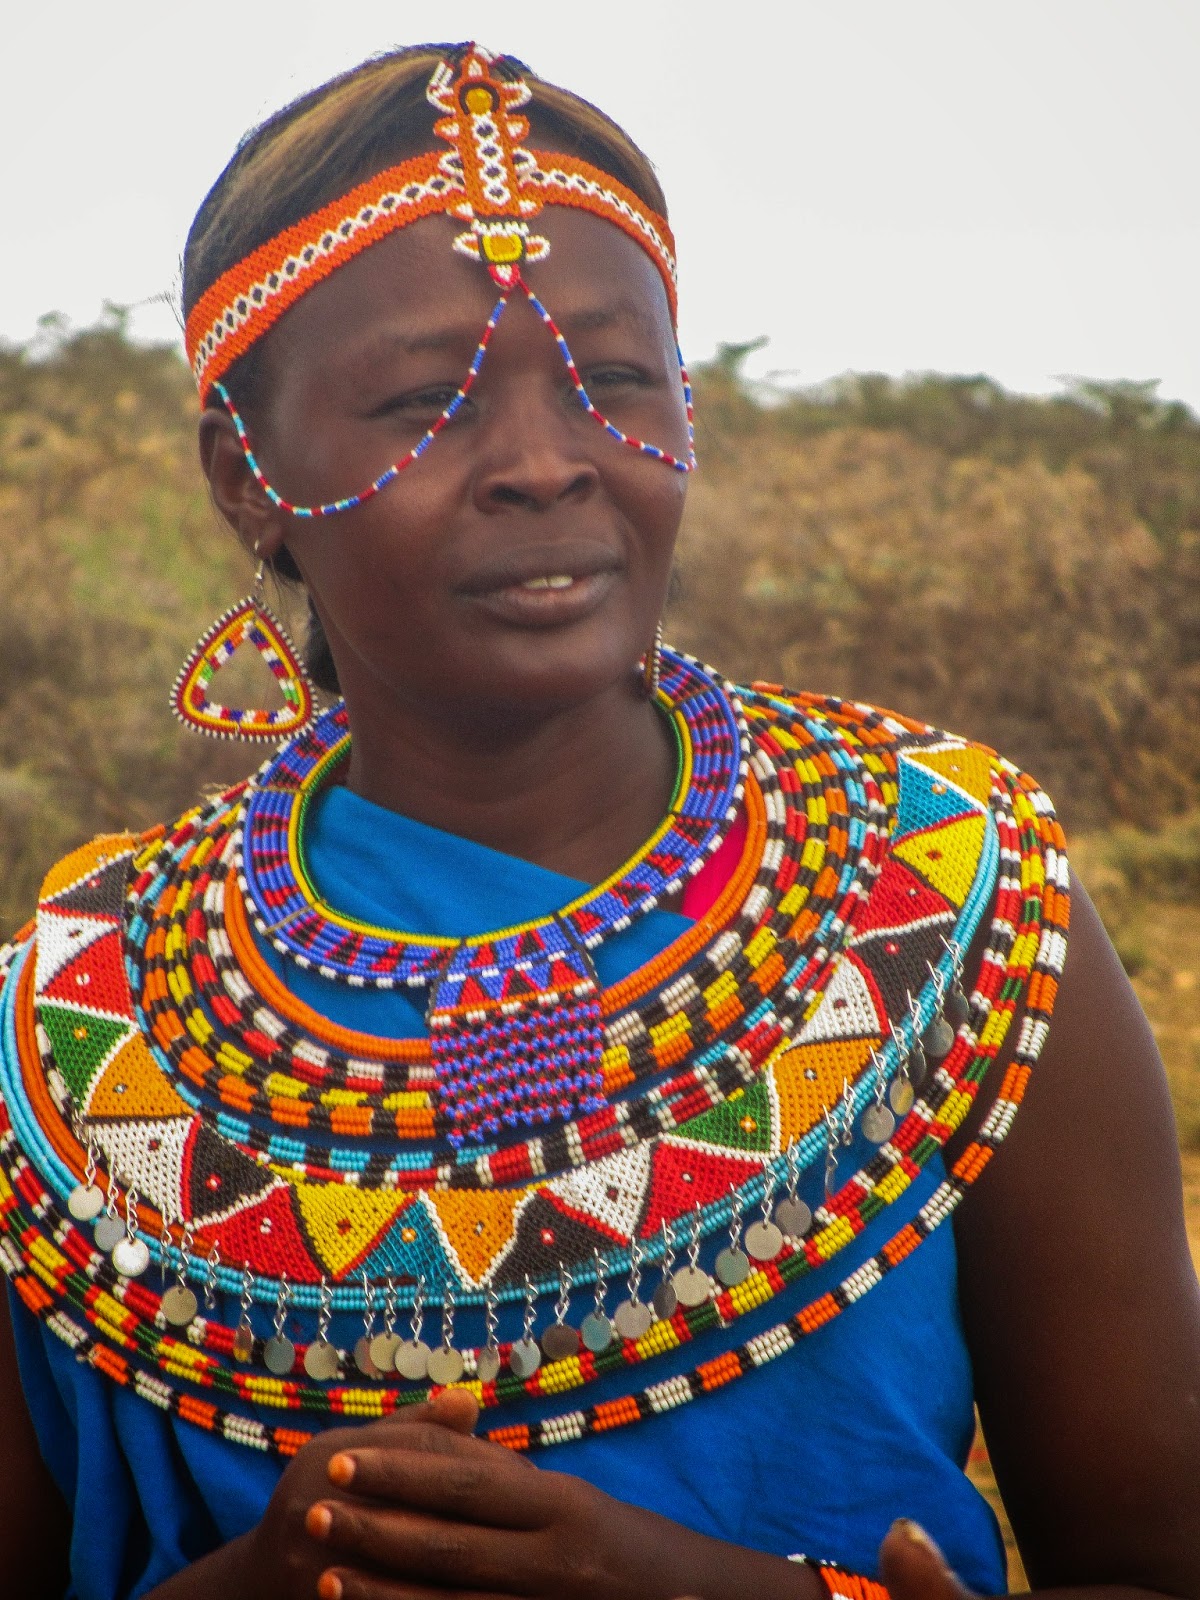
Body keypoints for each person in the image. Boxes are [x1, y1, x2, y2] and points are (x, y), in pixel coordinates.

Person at [1, 40, 1198, 1600]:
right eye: (425, 402)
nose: (544, 464)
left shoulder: (950, 898)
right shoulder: (75, 1028)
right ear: (249, 475)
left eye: (615, 381)